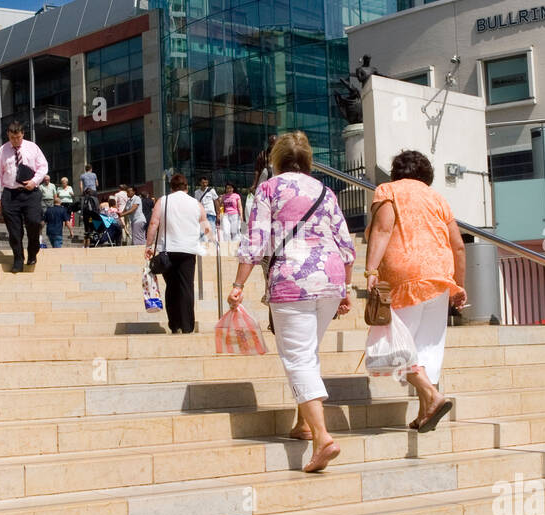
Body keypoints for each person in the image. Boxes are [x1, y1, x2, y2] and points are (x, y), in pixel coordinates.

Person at [228, 131, 355, 473]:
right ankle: (302, 424)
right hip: (330, 278)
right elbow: (346, 244)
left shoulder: (268, 189)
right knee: (308, 353)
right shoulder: (326, 191)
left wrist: (239, 283)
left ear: (277, 160)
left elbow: (255, 242)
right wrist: (345, 288)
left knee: (297, 357)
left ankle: (322, 437)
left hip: (291, 280)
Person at [362, 148, 467, 432]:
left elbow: (382, 231)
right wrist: (459, 284)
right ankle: (425, 412)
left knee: (396, 346)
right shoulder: (437, 198)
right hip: (439, 278)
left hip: (404, 277)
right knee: (429, 348)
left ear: (397, 171)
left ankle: (432, 397)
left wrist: (371, 270)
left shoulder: (388, 190)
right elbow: (458, 245)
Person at [145, 173, 212, 333]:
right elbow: (205, 226)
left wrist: (149, 245)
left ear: (171, 187)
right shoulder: (196, 203)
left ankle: (174, 325)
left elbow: (154, 223)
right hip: (188, 250)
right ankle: (187, 326)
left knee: (172, 287)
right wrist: (211, 241)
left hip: (167, 251)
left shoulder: (163, 201)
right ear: (186, 187)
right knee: (186, 287)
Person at [0, 122, 49, 272]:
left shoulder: (32, 147)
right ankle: (18, 259)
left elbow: (43, 166)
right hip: (10, 194)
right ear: (8, 136)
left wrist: (34, 181)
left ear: (23, 134)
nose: (15, 140)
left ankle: (32, 251)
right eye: (12, 138)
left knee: (34, 222)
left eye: (17, 137)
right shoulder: (2, 151)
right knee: (14, 231)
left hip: (31, 192)